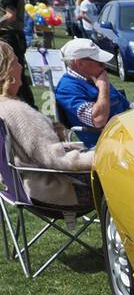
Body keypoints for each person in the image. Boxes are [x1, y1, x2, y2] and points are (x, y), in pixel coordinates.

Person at [0, 41, 93, 207]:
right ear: (7, 71)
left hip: (18, 188)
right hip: (51, 189)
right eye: (16, 61)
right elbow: (59, 160)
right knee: (124, 176)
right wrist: (103, 156)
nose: (21, 67)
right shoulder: (17, 111)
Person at [53, 38, 131, 148]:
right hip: (104, 145)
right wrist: (103, 87)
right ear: (79, 63)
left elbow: (127, 107)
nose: (104, 65)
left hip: (124, 134)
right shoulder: (67, 88)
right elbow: (98, 120)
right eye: (99, 62)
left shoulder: (95, 77)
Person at [0, 0, 35, 106]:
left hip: (9, 37)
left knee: (12, 76)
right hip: (11, 36)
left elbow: (10, 15)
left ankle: (29, 111)